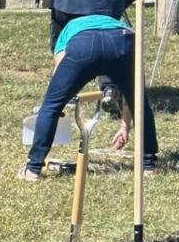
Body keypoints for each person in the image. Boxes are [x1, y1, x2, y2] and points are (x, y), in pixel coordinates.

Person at [21, 14, 156, 180]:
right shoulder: (118, 23)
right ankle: (148, 166)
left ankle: (33, 169)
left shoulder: (67, 30)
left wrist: (57, 100)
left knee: (51, 105)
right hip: (123, 40)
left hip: (82, 44)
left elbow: (58, 74)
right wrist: (125, 126)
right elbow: (133, 98)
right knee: (139, 101)